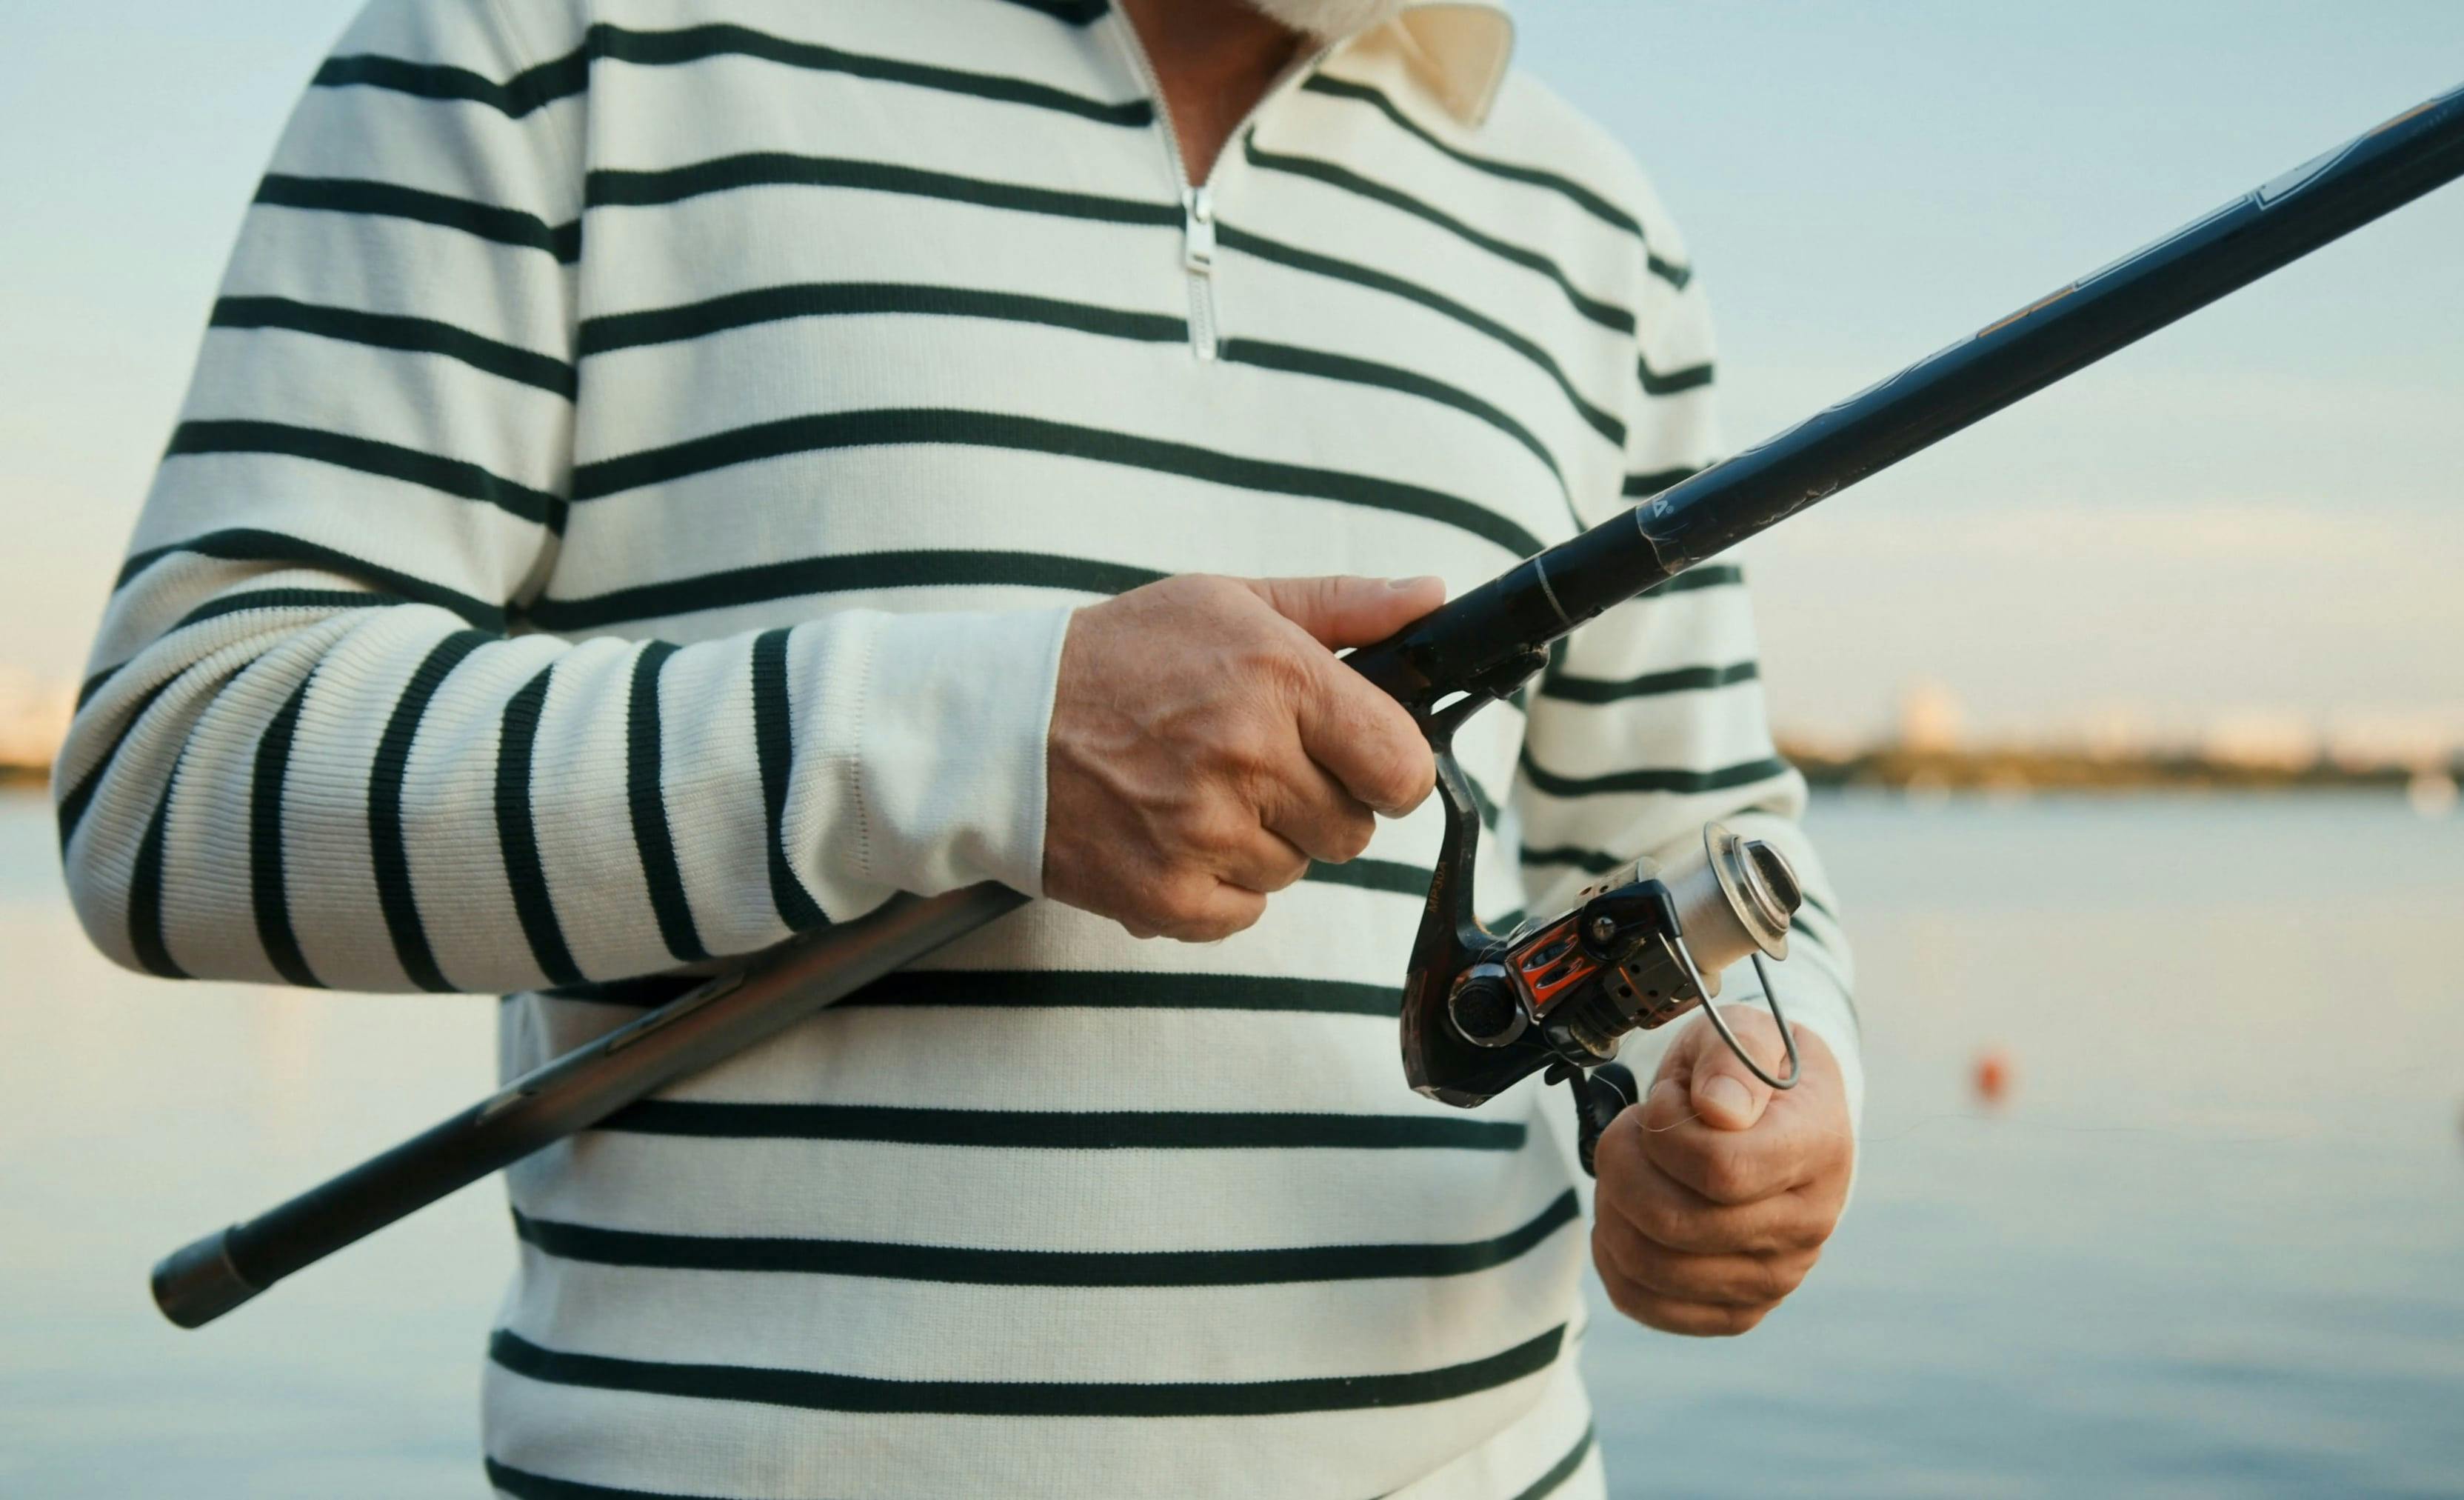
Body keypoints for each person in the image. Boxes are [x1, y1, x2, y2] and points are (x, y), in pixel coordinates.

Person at [57, 0, 1863, 1492]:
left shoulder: (1595, 226)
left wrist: (1782, 1089)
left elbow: (1704, 830)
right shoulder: (548, 44)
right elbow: (172, 780)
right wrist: (981, 742)